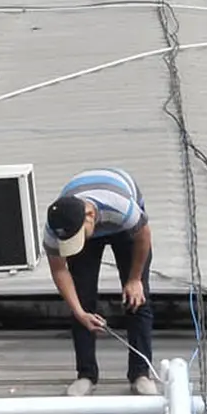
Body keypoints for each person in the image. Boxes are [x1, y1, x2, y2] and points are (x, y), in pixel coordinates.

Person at [42, 167, 158, 397]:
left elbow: (143, 236)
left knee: (137, 299)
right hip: (86, 223)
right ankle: (86, 375)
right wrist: (79, 312)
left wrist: (134, 279)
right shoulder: (55, 227)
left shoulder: (121, 209)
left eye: (77, 237)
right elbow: (59, 270)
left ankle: (140, 374)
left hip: (124, 229)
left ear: (90, 217)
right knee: (82, 301)